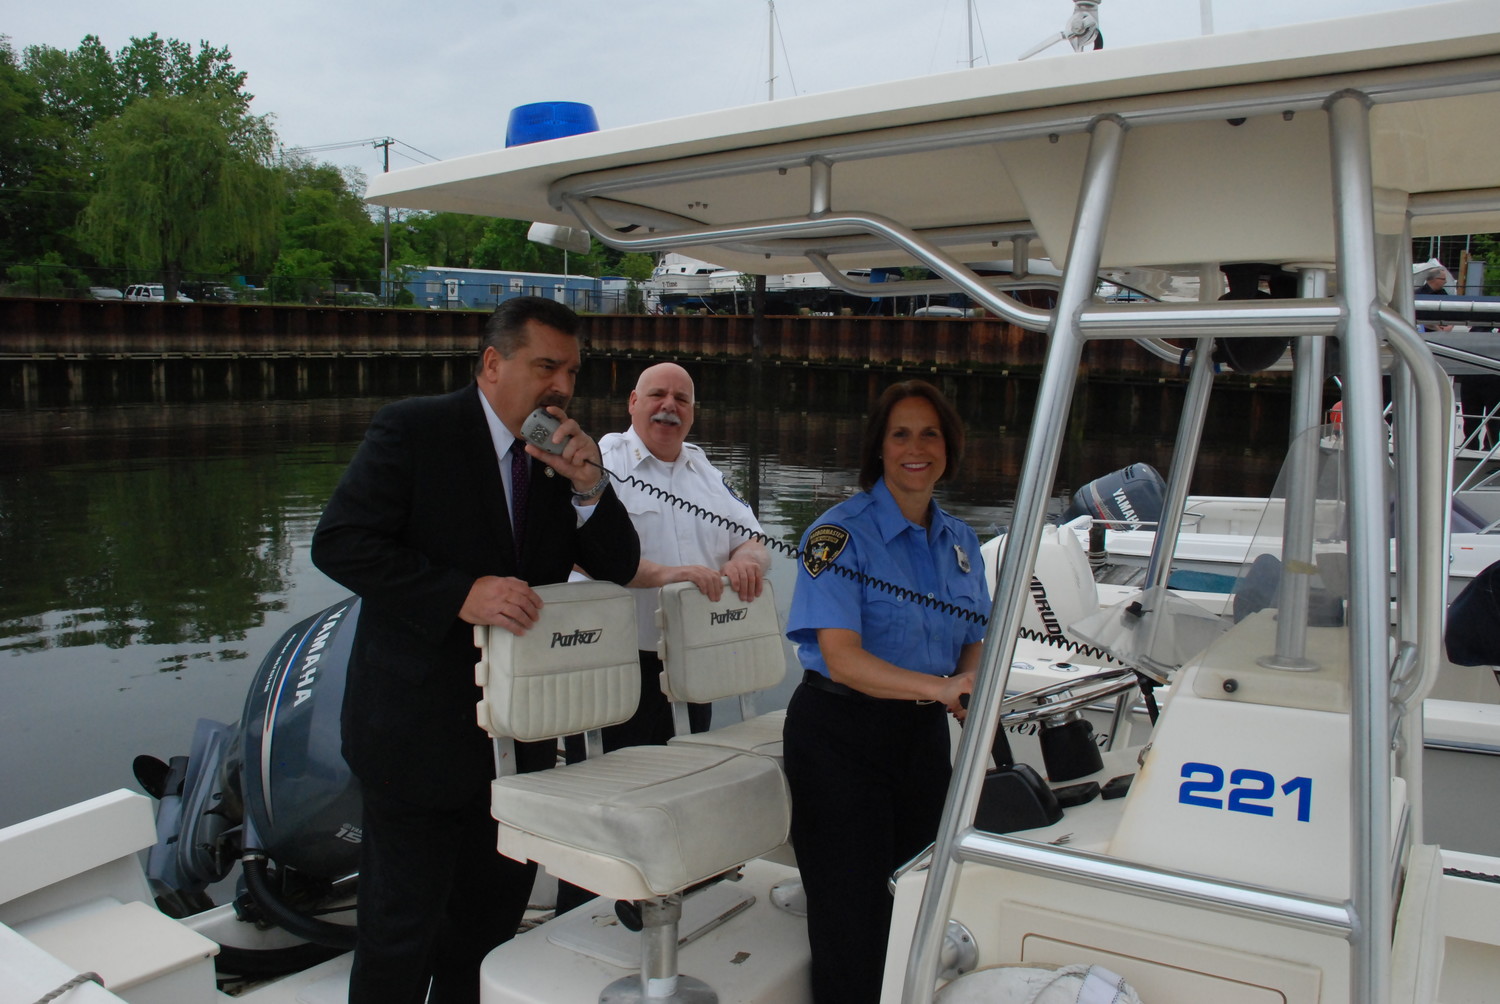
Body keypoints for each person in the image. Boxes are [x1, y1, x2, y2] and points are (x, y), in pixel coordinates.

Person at [310, 296, 640, 1004]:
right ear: (493, 363)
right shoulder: (414, 430)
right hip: (415, 735)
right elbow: (340, 543)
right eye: (546, 367)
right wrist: (459, 592)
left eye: (571, 372)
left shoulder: (556, 456)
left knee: (487, 933)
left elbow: (618, 564)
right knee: (399, 936)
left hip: (518, 743)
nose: (561, 387)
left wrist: (589, 485)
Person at [782, 379, 990, 1003]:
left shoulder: (961, 541)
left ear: (949, 447)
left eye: (930, 434)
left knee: (920, 905)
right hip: (840, 739)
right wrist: (944, 687)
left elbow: (974, 635)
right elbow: (842, 659)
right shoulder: (836, 536)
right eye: (901, 434)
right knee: (852, 919)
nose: (915, 448)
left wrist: (970, 683)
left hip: (921, 737)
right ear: (879, 447)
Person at [597, 361, 771, 747]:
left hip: (693, 660)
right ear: (633, 401)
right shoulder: (601, 464)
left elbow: (754, 540)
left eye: (681, 399)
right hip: (617, 665)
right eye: (658, 394)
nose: (669, 406)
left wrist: (746, 561)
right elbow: (580, 555)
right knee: (618, 776)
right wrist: (668, 575)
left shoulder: (704, 470)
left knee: (688, 767)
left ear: (692, 411)